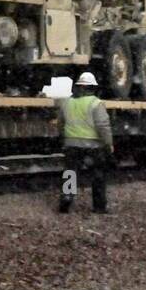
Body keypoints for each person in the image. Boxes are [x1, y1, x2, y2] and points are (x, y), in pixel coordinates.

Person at [57, 72, 114, 214]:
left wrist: (65, 138)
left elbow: (60, 124)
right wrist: (109, 143)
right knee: (98, 176)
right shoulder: (96, 103)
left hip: (71, 144)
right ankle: (99, 207)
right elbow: (103, 126)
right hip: (93, 146)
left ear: (78, 87)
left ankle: (66, 199)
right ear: (92, 87)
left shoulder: (67, 103)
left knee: (70, 173)